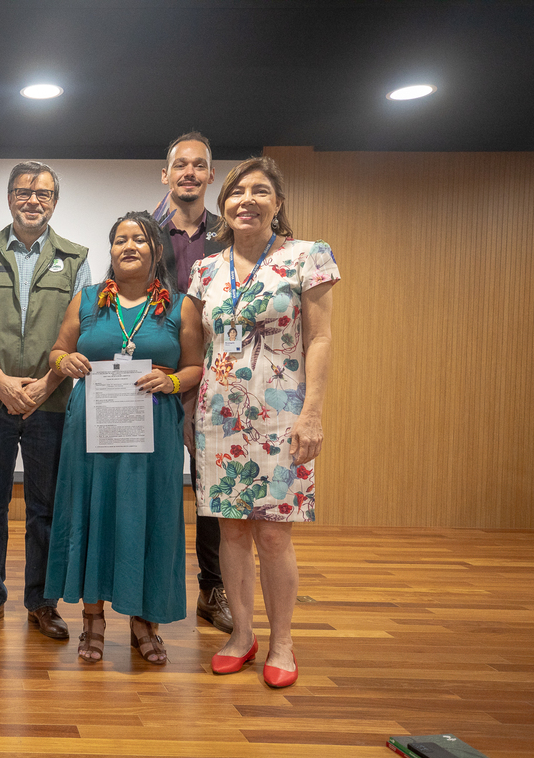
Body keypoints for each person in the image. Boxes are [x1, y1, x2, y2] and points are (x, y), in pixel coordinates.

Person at [185, 156, 339, 688]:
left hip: (281, 417)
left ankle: (282, 643)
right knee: (230, 532)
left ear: (278, 202)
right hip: (218, 417)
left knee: (273, 535)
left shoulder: (307, 256)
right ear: (223, 204)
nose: (246, 200)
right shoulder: (206, 269)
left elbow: (320, 338)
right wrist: (191, 412)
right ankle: (242, 636)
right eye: (236, 192)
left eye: (259, 191)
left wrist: (312, 413)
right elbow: (198, 349)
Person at [45, 211, 203, 664]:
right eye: (120, 240)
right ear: (111, 250)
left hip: (153, 434)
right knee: (91, 515)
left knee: (149, 518)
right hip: (91, 430)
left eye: (139, 239)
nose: (129, 246)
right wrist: (64, 363)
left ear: (157, 250)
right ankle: (92, 620)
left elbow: (195, 366)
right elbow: (58, 351)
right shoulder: (87, 300)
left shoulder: (181, 306)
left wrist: (172, 382)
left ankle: (144, 622)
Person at [0, 161, 91, 640]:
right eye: (23, 192)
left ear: (55, 202)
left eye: (43, 193)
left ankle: (42, 601)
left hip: (51, 404)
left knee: (46, 508)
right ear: (9, 198)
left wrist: (44, 386)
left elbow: (81, 332)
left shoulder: (76, 259)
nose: (33, 200)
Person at [156, 131, 232, 634]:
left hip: (219, 376)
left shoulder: (231, 234)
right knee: (157, 485)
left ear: (210, 175)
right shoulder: (143, 231)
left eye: (198, 165)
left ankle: (213, 588)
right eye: (180, 164)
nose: (189, 172)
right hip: (157, 378)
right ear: (165, 174)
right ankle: (152, 589)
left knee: (211, 489)